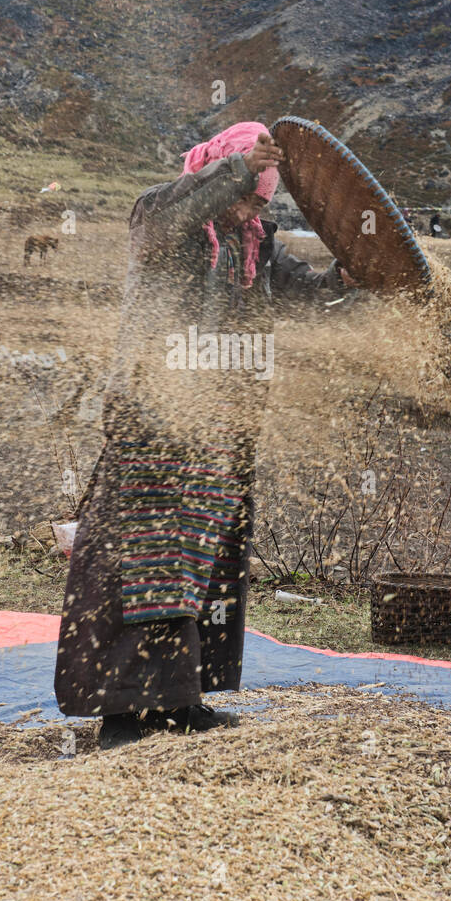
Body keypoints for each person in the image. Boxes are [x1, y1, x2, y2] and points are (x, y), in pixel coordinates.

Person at [55, 121, 359, 749]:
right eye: (251, 191)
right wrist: (238, 173)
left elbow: (305, 296)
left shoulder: (254, 245)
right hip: (154, 418)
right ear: (222, 171)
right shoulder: (161, 215)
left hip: (220, 425)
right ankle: (122, 713)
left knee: (196, 565)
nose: (256, 205)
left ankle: (181, 700)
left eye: (264, 197)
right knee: (145, 562)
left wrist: (341, 283)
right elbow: (185, 207)